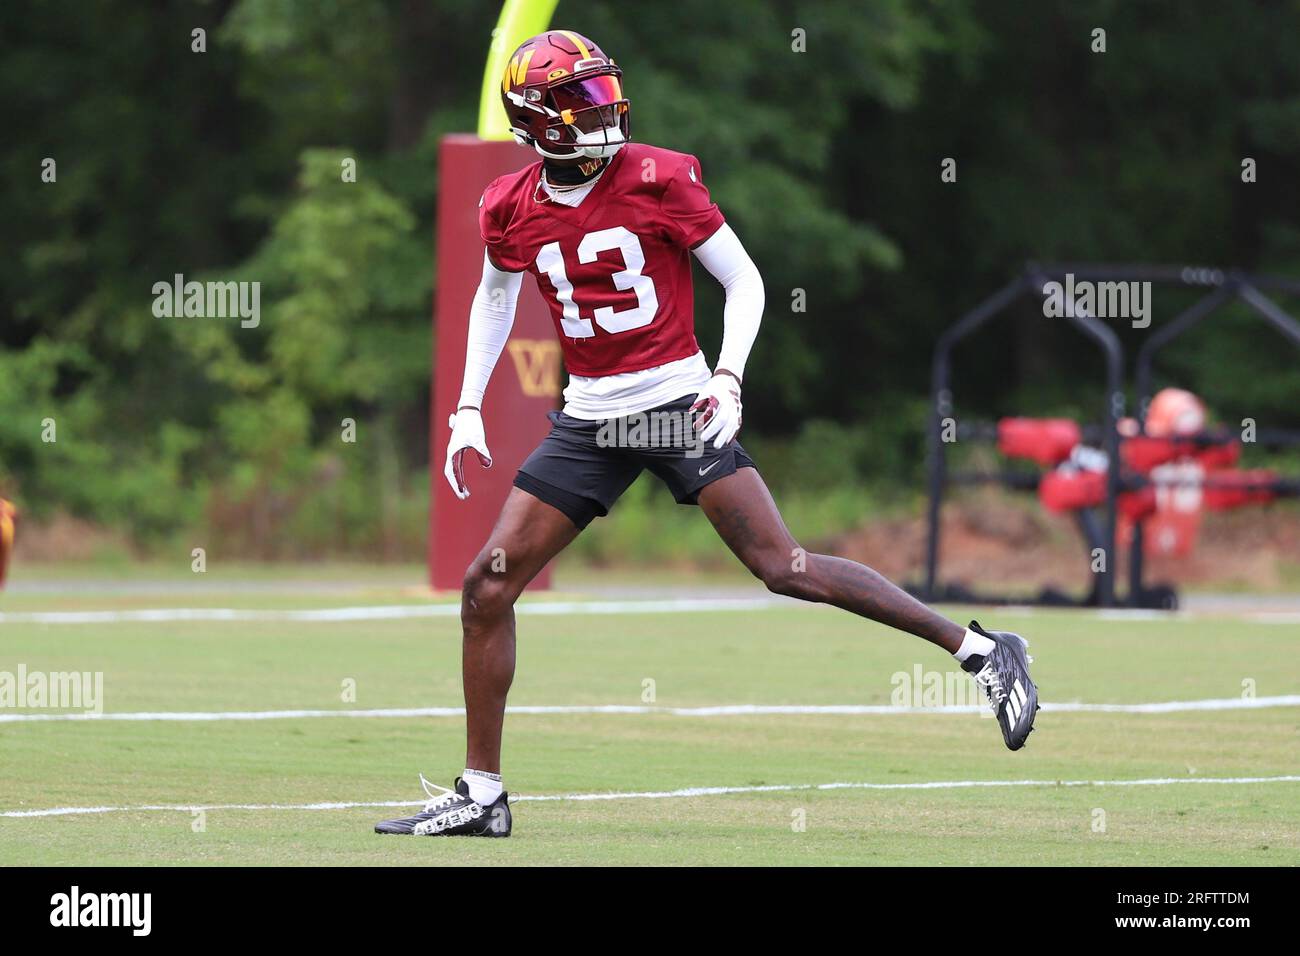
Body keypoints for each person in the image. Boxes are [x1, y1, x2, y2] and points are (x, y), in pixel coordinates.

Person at [376, 30, 1037, 838]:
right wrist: (468, 408)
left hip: (676, 402)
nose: (603, 107)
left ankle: (980, 650)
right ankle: (482, 795)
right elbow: (493, 298)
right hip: (588, 417)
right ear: (538, 121)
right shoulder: (510, 204)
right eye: (580, 99)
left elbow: (744, 279)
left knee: (782, 566)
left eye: (602, 90)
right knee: (487, 585)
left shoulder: (658, 174)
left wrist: (728, 378)